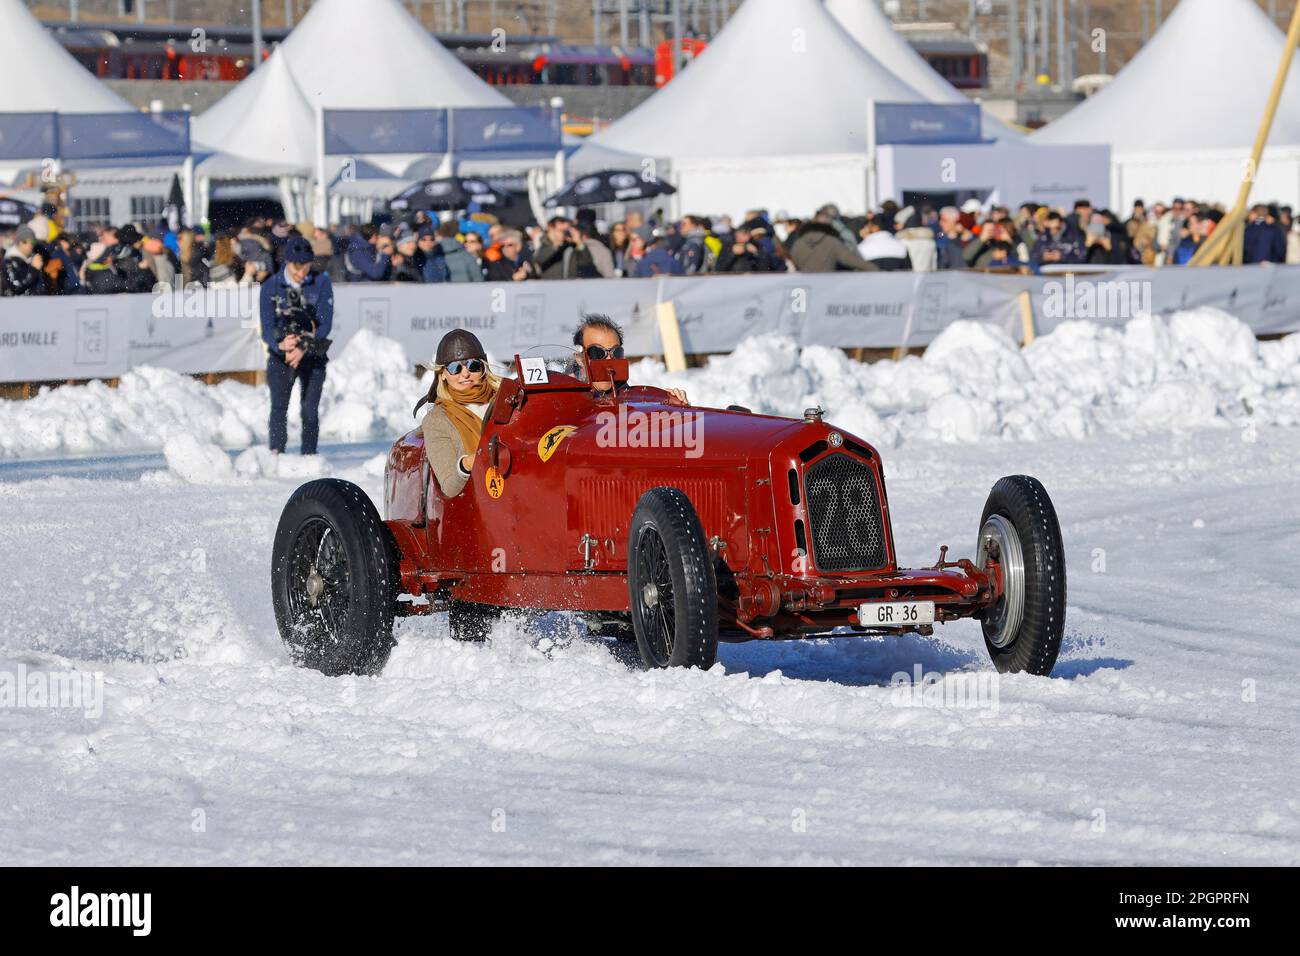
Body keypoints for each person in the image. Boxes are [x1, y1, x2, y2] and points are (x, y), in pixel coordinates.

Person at [260, 236, 333, 456]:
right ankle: (276, 453)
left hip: (313, 354)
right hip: (281, 356)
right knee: (279, 407)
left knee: (309, 409)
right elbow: (267, 327)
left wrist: (304, 346)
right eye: (297, 266)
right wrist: (281, 345)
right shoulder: (271, 286)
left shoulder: (321, 282)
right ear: (287, 262)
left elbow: (325, 324)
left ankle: (309, 455)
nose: (302, 271)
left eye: (307, 265)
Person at [416, 330, 501, 497]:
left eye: (473, 365)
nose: (465, 373)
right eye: (455, 368)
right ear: (443, 375)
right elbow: (449, 486)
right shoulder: (437, 420)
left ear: (483, 367)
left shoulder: (507, 401)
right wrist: (467, 464)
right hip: (477, 505)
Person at [571, 315, 686, 404]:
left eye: (616, 352)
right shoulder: (565, 398)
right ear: (580, 359)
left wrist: (673, 405)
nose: (609, 359)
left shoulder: (631, 401)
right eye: (597, 352)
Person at [786, 212, 877, 273]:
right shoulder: (832, 242)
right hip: (827, 289)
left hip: (805, 292)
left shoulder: (798, 243)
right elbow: (853, 261)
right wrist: (877, 271)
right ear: (830, 225)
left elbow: (793, 263)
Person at [2, 226, 46, 296]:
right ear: (18, 243)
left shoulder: (33, 259)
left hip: (36, 304)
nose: (29, 245)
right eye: (25, 241)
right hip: (16, 305)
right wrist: (34, 269)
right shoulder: (9, 262)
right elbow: (16, 287)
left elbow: (40, 288)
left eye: (32, 241)